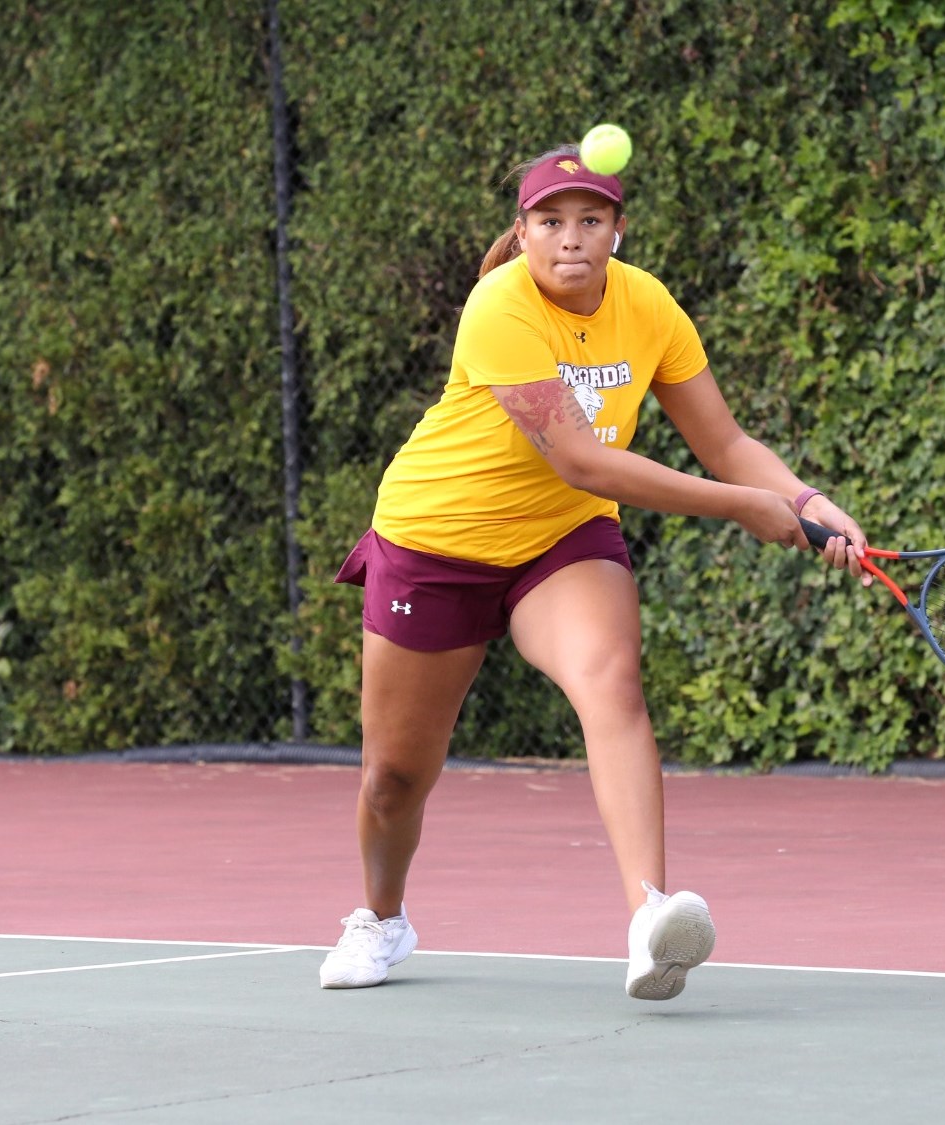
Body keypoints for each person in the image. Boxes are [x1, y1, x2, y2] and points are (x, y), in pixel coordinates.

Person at [322, 143, 868, 1000]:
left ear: (618, 230)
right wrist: (742, 507)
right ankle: (381, 919)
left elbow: (723, 442)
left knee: (612, 682)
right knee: (394, 777)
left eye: (590, 220)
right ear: (524, 231)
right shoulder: (498, 307)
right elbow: (581, 457)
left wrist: (804, 495)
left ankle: (651, 919)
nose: (570, 238)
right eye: (550, 221)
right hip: (436, 541)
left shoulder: (648, 305)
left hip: (561, 541)